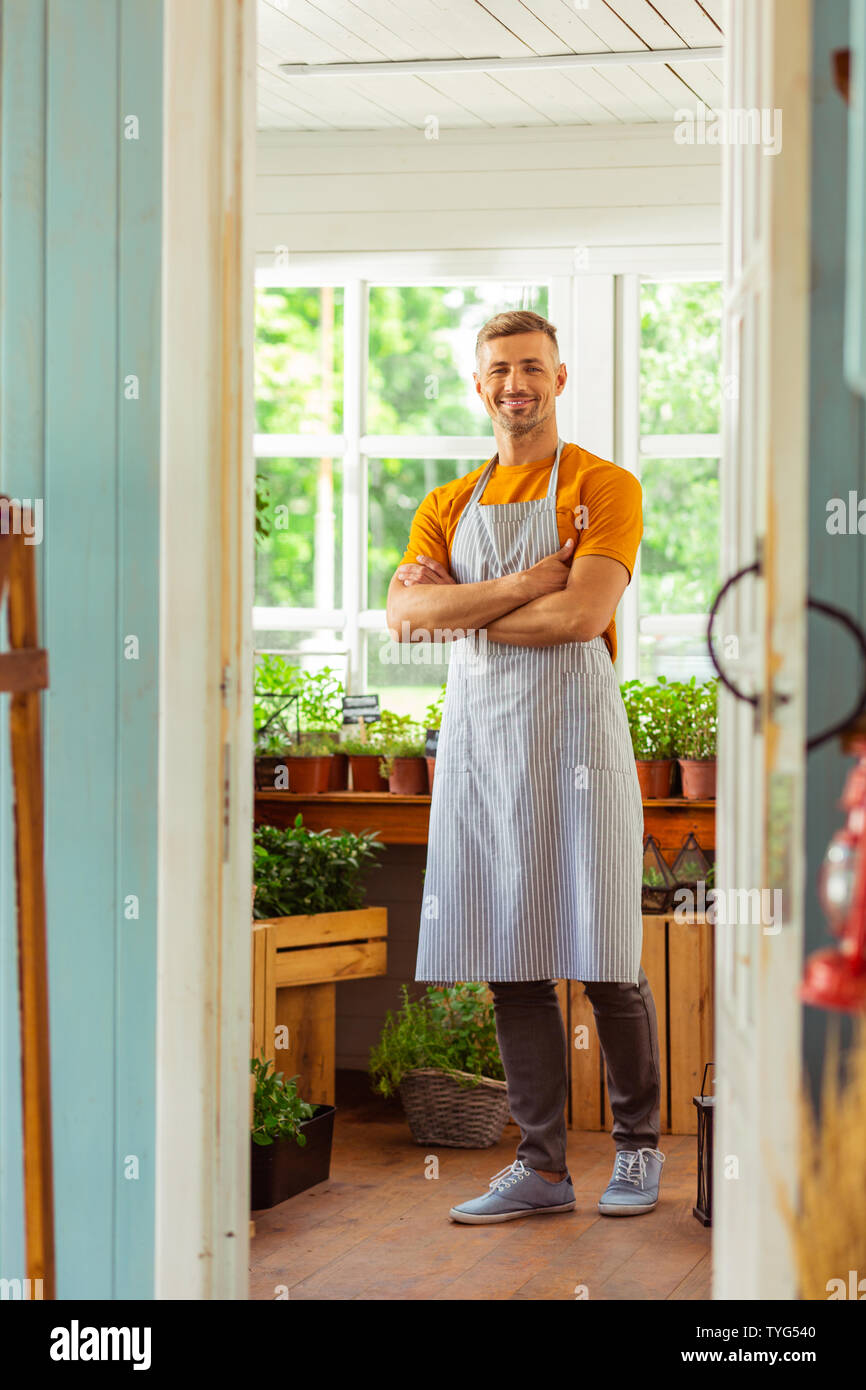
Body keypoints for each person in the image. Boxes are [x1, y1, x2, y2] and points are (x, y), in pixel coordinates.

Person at [386, 310, 664, 1224]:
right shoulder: (447, 503)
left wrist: (467, 610)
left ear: (560, 377)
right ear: (480, 385)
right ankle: (542, 1169)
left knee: (607, 958)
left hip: (578, 742)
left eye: (532, 367)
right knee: (511, 959)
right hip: (483, 752)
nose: (517, 383)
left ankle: (636, 1150)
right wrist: (520, 583)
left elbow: (584, 617)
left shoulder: (603, 485)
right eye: (500, 369)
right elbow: (406, 621)